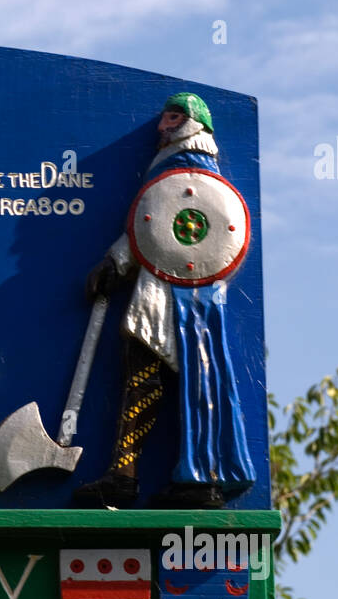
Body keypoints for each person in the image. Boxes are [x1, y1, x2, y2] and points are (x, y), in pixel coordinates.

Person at [74, 93, 255, 509]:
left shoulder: (190, 172)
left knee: (185, 380)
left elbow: (180, 222)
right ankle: (130, 473)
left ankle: (195, 478)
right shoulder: (169, 170)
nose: (162, 126)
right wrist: (117, 262)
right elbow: (150, 223)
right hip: (160, 289)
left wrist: (118, 261)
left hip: (187, 294)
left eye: (173, 117)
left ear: (194, 124)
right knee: (149, 376)